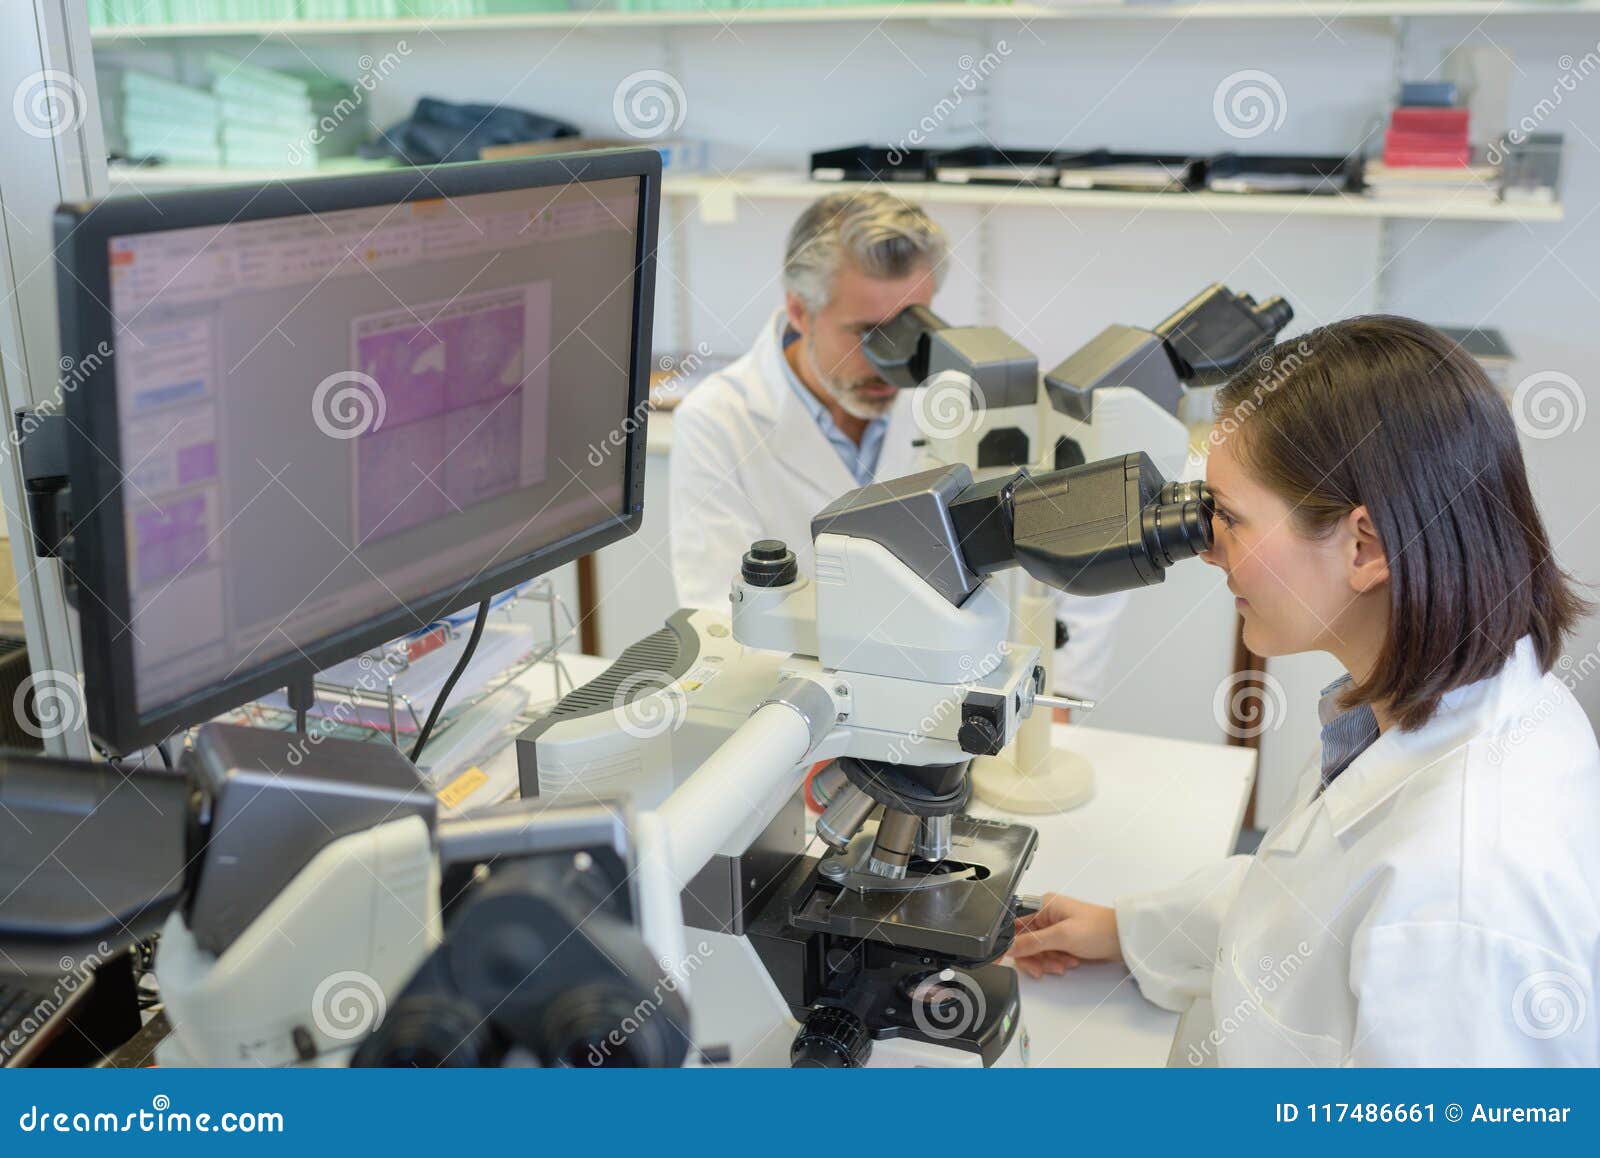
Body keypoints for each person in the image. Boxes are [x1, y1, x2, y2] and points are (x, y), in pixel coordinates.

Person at [1007, 315, 1599, 1065]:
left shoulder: (1463, 892)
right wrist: (1128, 930)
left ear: (1365, 547)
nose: (1206, 549)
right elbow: (1301, 911)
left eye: (1228, 517)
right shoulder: (1415, 701)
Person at [668, 190, 1126, 702]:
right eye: (867, 332)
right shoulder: (719, 420)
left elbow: (1084, 526)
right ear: (799, 311)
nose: (891, 362)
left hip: (954, 707)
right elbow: (720, 621)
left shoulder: (956, 394)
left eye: (910, 328)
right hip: (800, 719)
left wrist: (1060, 698)